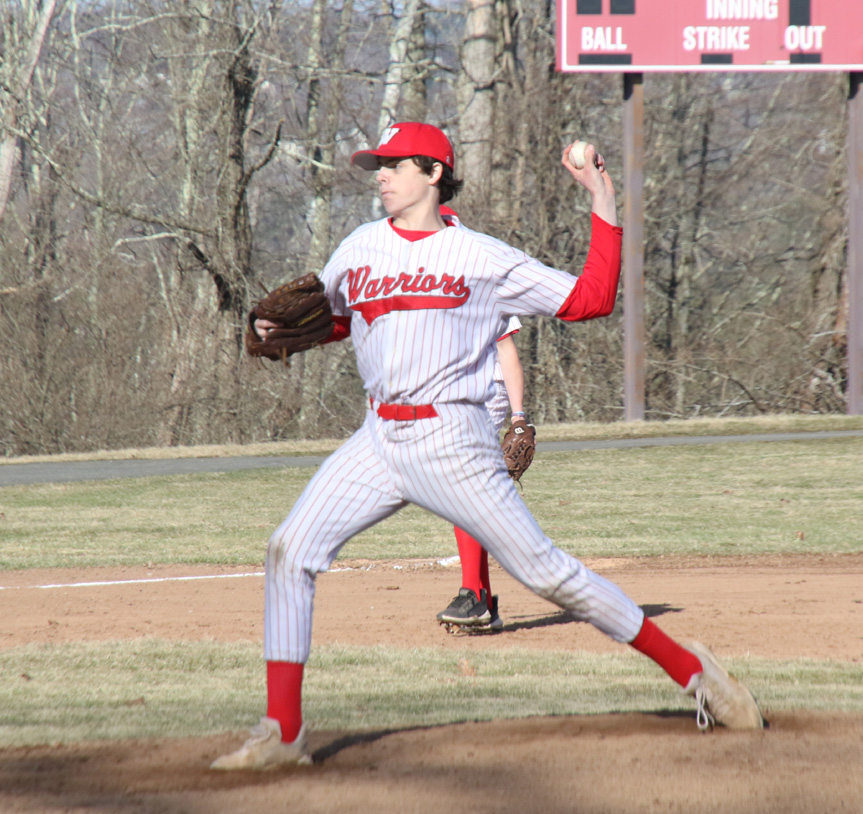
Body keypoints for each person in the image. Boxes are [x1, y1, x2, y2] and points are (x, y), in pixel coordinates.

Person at [212, 121, 763, 770]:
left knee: (551, 576)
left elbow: (591, 300)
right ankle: (283, 733)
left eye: (394, 165)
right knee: (289, 549)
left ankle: (694, 671)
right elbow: (335, 318)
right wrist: (280, 328)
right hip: (378, 439)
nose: (381, 175)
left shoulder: (482, 258)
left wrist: (602, 200)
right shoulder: (359, 248)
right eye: (378, 165)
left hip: (455, 441)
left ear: (434, 173)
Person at [436, 308, 526, 633]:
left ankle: (473, 594)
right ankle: (482, 601)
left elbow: (507, 352)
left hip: (489, 390)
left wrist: (518, 417)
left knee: (464, 489)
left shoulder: (483, 283)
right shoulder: (434, 286)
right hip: (458, 394)